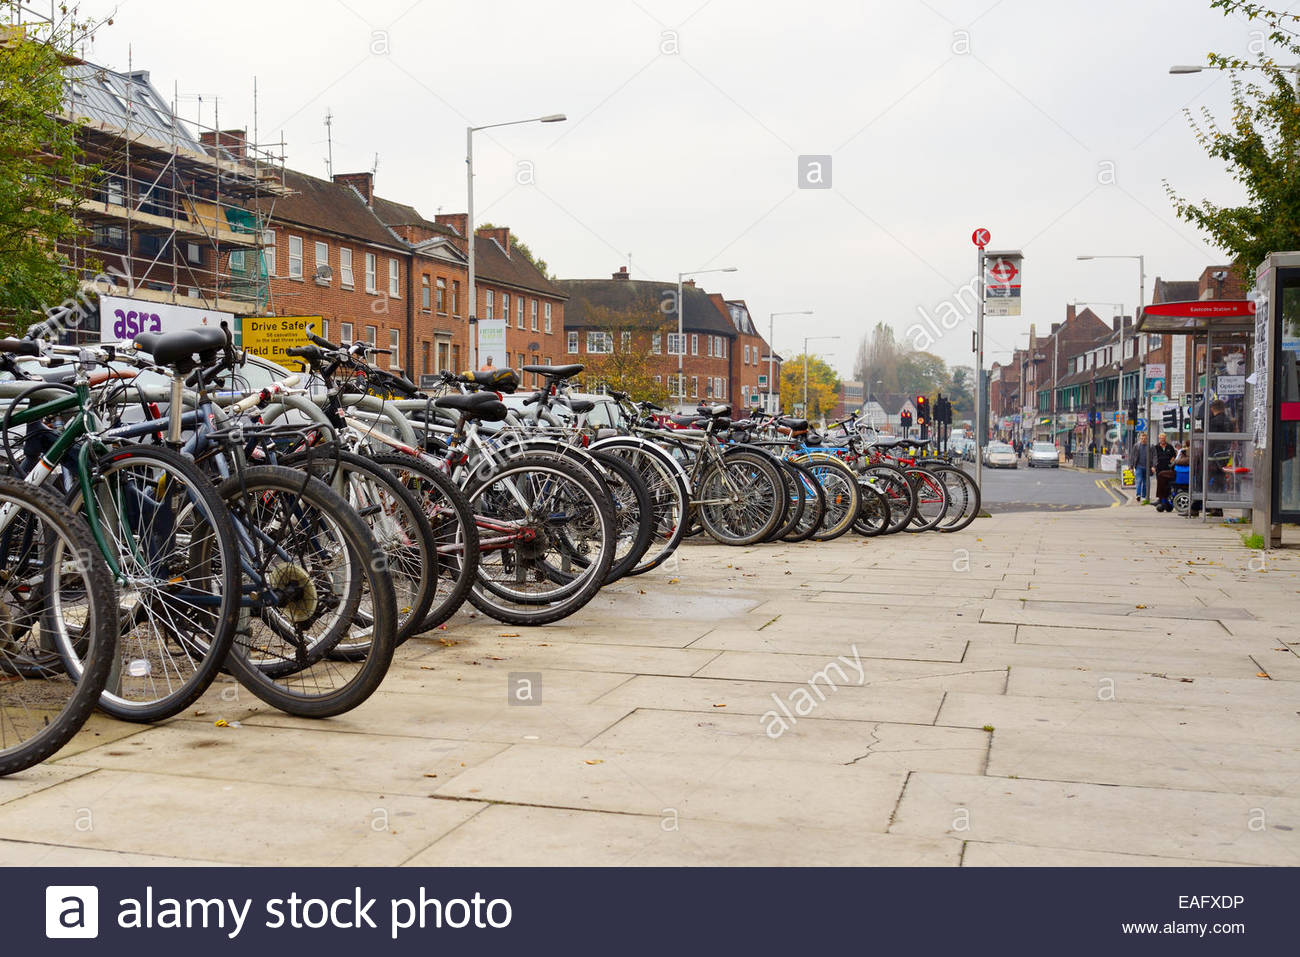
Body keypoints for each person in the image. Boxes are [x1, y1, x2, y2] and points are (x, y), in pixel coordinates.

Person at [1152, 432, 1177, 512]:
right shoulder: (1156, 447)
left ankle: (1166, 498)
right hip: (1159, 469)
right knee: (1160, 484)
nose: (1162, 440)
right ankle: (1160, 499)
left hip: (1168, 468)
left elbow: (1174, 455)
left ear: (1165, 439)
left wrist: (1172, 460)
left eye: (1163, 438)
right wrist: (1153, 466)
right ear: (1159, 439)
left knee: (1168, 485)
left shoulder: (1170, 446)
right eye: (1161, 438)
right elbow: (1153, 457)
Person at [1131, 433, 1149, 502]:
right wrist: (1131, 466)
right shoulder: (1136, 446)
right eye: (1142, 438)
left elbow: (1153, 456)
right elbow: (1132, 456)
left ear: (1147, 439)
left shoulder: (1150, 446)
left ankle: (1143, 496)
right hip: (1139, 466)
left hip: (1147, 467)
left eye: (1144, 439)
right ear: (1140, 439)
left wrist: (1153, 466)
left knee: (1145, 482)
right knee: (1139, 480)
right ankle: (1138, 495)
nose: (1143, 440)